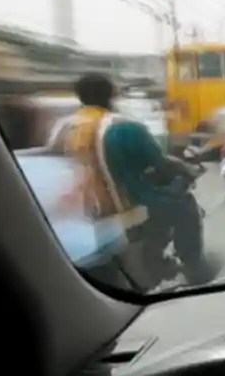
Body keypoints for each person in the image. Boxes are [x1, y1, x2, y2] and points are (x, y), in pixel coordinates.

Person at [50, 73, 205, 281]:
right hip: (130, 204)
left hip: (86, 208)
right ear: (112, 93)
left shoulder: (63, 128)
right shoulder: (122, 126)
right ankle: (192, 264)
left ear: (79, 96)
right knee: (185, 204)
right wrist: (186, 170)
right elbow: (159, 162)